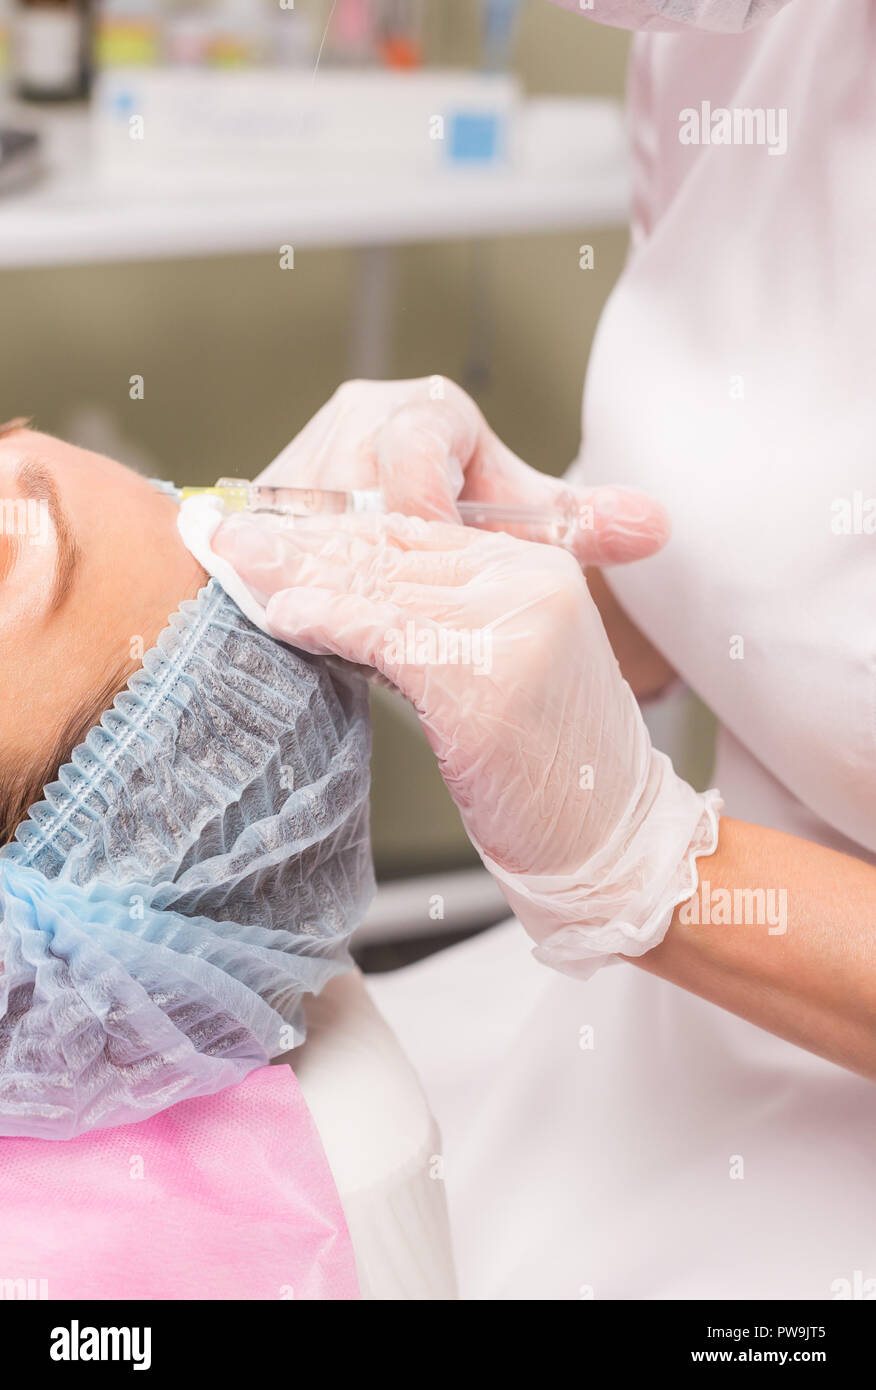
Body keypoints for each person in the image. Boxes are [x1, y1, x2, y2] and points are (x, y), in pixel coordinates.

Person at [211, 0, 876, 1299]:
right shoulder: (717, 36)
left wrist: (656, 870)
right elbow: (746, 594)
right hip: (677, 1030)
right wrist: (466, 560)